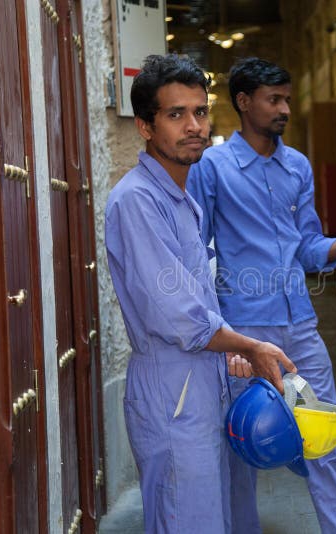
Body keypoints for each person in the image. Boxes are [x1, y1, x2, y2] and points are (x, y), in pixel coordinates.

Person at [187, 57, 336, 534]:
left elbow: (309, 249)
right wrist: (220, 335)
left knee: (325, 443)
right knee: (241, 445)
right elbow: (197, 251)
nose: (285, 108)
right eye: (274, 99)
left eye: (287, 99)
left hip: (300, 329)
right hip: (242, 333)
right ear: (244, 103)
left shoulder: (297, 166)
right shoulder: (213, 168)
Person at [104, 54, 296, 534]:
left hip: (202, 388)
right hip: (172, 394)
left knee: (211, 518)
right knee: (186, 519)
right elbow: (178, 315)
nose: (194, 126)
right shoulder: (136, 201)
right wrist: (248, 345)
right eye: (176, 115)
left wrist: (231, 352)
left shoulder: (184, 199)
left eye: (200, 112)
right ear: (146, 127)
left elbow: (199, 300)